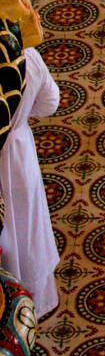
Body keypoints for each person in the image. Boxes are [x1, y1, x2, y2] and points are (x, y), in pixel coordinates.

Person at [0, 47, 60, 318]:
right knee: (28, 227)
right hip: (19, 154)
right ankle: (34, 301)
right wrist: (22, 117)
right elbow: (50, 102)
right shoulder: (27, 56)